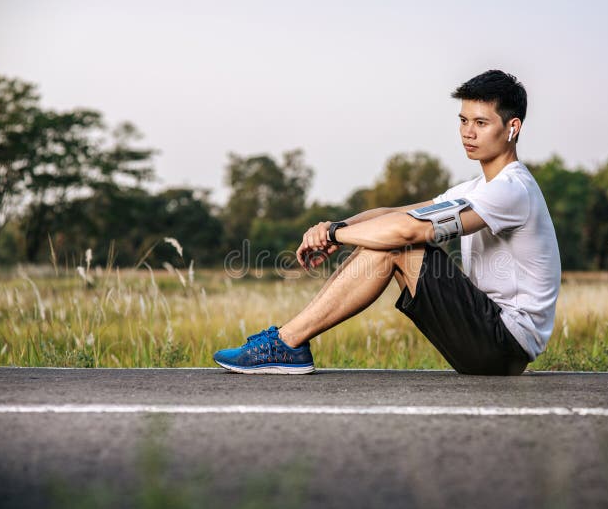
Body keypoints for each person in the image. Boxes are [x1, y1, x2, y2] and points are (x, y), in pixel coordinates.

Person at [213, 69, 561, 376]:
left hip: (504, 343)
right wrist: (336, 227)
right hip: (489, 343)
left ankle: (286, 343)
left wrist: (339, 234)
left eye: (481, 123)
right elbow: (393, 214)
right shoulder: (475, 189)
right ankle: (287, 344)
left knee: (401, 243)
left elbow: (412, 229)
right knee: (393, 233)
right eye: (463, 120)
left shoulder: (512, 189)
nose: (467, 132)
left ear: (512, 127)